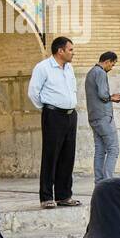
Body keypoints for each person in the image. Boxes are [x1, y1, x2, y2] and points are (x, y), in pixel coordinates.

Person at [28, 36, 80, 209]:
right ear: (60, 51)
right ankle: (46, 197)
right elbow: (33, 92)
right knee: (51, 155)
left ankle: (64, 195)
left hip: (70, 115)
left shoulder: (69, 68)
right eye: (70, 49)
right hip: (54, 115)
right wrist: (48, 108)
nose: (73, 52)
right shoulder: (43, 68)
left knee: (67, 156)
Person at [84, 51, 120, 184]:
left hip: (94, 117)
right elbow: (102, 94)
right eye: (112, 64)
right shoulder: (100, 72)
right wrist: (112, 97)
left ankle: (99, 183)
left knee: (100, 151)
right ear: (107, 61)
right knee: (113, 149)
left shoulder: (90, 73)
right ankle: (107, 182)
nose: (111, 67)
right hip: (103, 116)